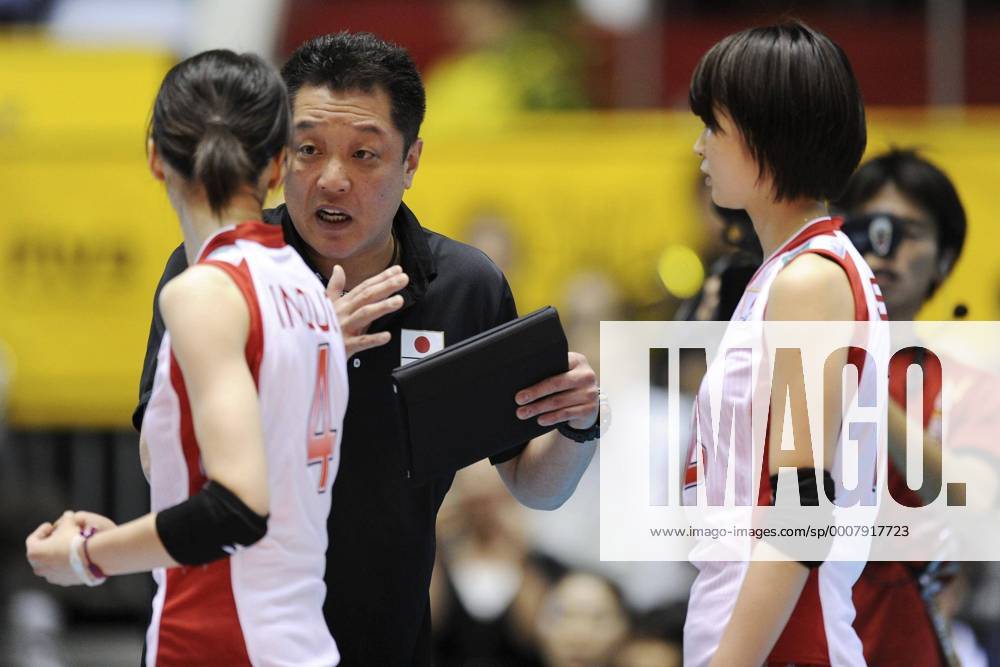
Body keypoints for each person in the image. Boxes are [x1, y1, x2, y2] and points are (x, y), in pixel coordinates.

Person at [133, 31, 601, 665]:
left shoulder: (465, 288)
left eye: (364, 154)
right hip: (228, 639)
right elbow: (161, 464)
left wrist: (578, 425)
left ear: (410, 162)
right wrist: (300, 354)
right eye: (308, 149)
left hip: (390, 642)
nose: (332, 179)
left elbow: (532, 482)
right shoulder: (217, 273)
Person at [23, 49, 402, 666]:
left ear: (155, 156)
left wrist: (86, 556)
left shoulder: (206, 291)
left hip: (219, 641)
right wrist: (134, 541)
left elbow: (236, 509)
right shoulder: (309, 291)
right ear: (277, 165)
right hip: (298, 640)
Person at [683, 21, 885, 666]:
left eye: (713, 126)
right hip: (749, 625)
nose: (699, 146)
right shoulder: (788, 274)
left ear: (767, 133)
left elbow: (802, 513)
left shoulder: (809, 281)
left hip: (784, 640)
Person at [836, 148, 969, 666]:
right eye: (868, 228)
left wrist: (854, 373)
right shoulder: (789, 353)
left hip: (902, 639)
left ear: (945, 259)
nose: (883, 247)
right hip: (801, 627)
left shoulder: (966, 380)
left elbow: (962, 498)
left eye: (907, 232)